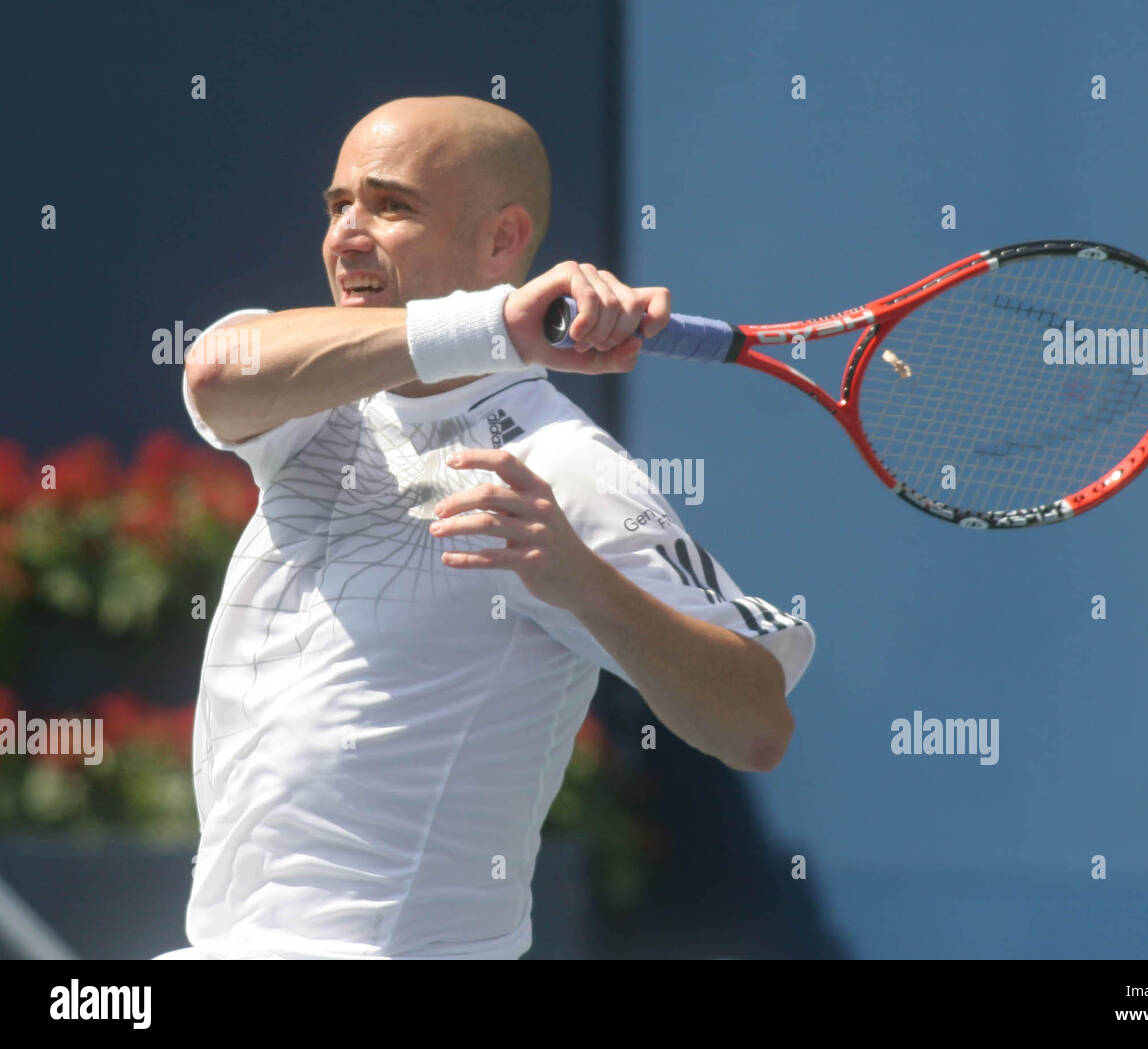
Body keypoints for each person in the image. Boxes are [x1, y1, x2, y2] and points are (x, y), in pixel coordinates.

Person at [156, 96, 814, 960]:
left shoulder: (567, 465)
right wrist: (492, 326)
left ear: (502, 240)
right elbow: (215, 372)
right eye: (337, 204)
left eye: (390, 206)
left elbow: (755, 724)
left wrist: (584, 580)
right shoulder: (311, 396)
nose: (348, 235)